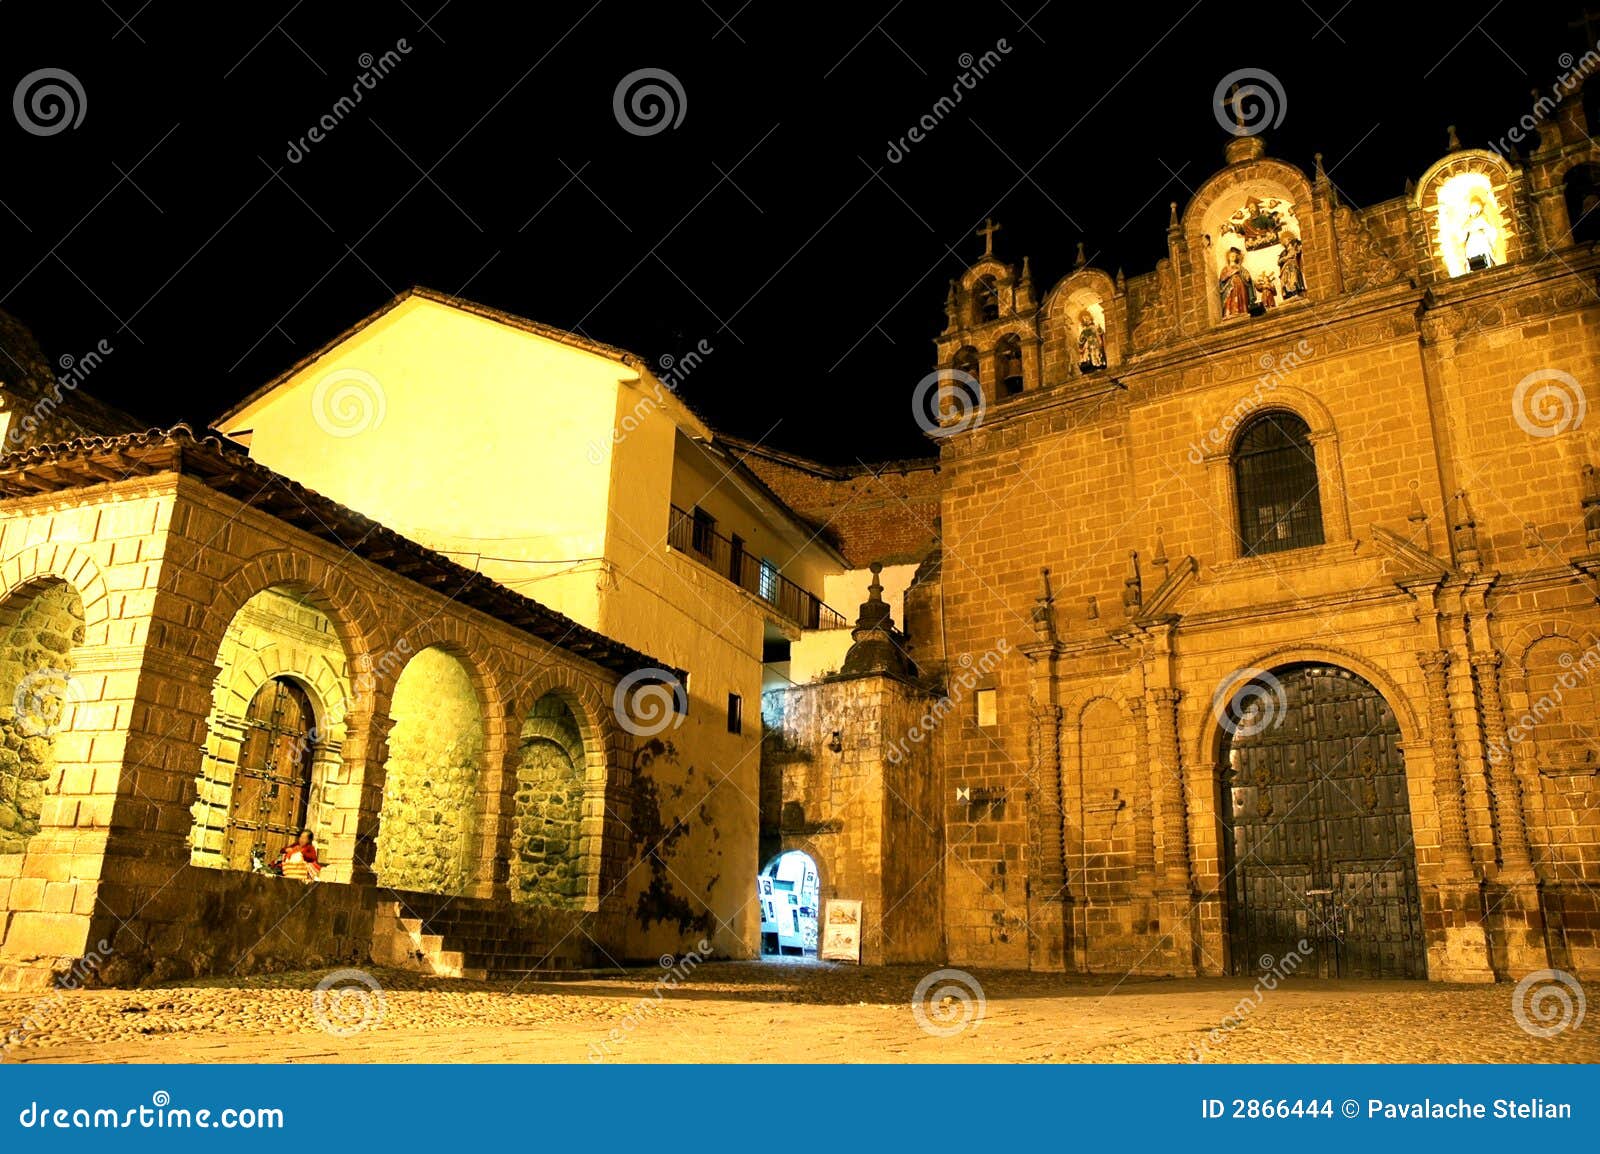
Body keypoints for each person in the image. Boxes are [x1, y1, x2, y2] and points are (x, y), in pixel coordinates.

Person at [1219, 247, 1256, 317]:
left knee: (1242, 297)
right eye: (1231, 256)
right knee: (1231, 298)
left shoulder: (1240, 267)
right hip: (1230, 287)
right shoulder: (1226, 268)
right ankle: (1230, 312)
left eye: (1234, 256)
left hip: (1241, 286)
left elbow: (1246, 276)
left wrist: (1247, 277)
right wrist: (1233, 272)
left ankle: (1243, 311)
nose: (1233, 257)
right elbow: (1222, 278)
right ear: (1228, 257)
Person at [1276, 228, 1305, 298]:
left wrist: (1296, 246)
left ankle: (1296, 292)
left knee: (1293, 279)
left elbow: (1298, 253)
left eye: (1285, 240)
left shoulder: (1295, 248)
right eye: (1283, 240)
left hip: (1293, 267)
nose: (1284, 242)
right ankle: (1290, 293)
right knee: (1286, 280)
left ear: (1289, 240)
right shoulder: (1284, 252)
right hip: (1285, 269)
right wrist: (1286, 258)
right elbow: (1279, 262)